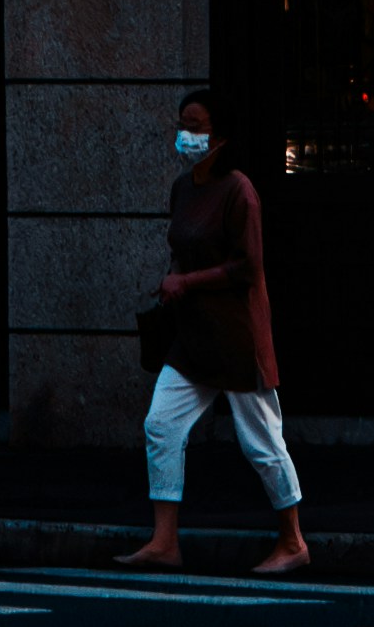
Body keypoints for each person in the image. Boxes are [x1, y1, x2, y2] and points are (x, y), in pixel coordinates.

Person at [124, 77, 307, 573]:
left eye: (196, 126)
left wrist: (186, 282)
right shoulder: (183, 188)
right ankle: (164, 540)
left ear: (220, 137)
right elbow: (180, 247)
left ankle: (293, 542)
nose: (186, 135)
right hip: (194, 338)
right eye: (182, 125)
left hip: (237, 337)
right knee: (161, 426)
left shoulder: (239, 191)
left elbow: (248, 266)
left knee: (261, 443)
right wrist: (173, 280)